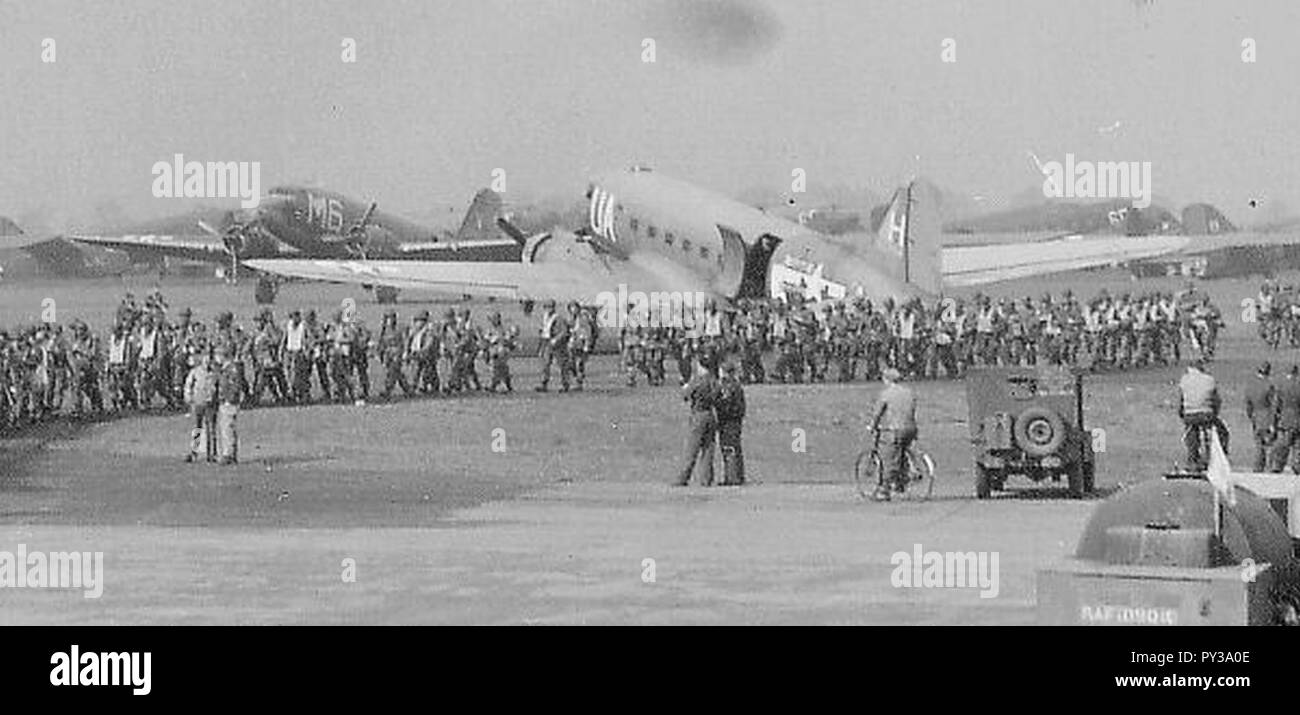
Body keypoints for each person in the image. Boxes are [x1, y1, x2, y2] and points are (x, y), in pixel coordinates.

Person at [869, 367, 917, 501]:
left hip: (896, 429)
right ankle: (901, 482)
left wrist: (872, 426)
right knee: (901, 451)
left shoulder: (886, 394)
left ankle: (884, 490)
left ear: (887, 380)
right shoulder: (909, 392)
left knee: (889, 457)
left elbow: (878, 413)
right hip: (911, 429)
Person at [674, 357, 719, 486]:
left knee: (692, 449)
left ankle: (683, 478)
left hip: (698, 414)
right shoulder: (713, 380)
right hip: (710, 414)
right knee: (708, 449)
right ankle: (706, 479)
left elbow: (685, 396)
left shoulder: (697, 380)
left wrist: (684, 386)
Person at [1178, 359, 1228, 472]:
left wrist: (1182, 414)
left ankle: (1192, 458)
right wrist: (1215, 413)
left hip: (1189, 414)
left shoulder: (1184, 380)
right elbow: (1216, 400)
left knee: (1191, 432)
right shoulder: (1210, 380)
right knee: (1222, 432)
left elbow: (1181, 400)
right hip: (1206, 414)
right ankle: (1216, 455)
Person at [715, 360, 747, 486]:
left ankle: (732, 477)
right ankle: (737, 475)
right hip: (735, 421)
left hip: (729, 422)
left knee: (729, 448)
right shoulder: (736, 385)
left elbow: (726, 405)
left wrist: (718, 405)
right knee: (735, 448)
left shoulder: (729, 387)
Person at [183, 349, 218, 463]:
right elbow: (188, 385)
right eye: (205, 359)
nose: (207, 361)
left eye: (209, 359)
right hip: (198, 403)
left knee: (211, 429)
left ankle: (212, 453)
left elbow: (218, 387)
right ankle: (194, 452)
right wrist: (188, 397)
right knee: (197, 429)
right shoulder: (195, 372)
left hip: (210, 404)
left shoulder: (214, 373)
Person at [1244, 361, 1277, 472]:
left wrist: (1252, 417)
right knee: (1271, 445)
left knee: (1258, 444)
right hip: (1267, 417)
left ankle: (1258, 467)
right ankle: (1271, 467)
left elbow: (1248, 405)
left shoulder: (1250, 386)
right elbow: (1273, 405)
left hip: (1256, 417)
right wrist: (1273, 422)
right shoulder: (1269, 385)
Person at [215, 344, 245, 466]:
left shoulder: (230, 369)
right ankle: (197, 450)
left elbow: (234, 386)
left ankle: (228, 454)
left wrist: (230, 399)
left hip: (227, 402)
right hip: (209, 403)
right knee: (202, 428)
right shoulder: (221, 369)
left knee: (227, 428)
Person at [1271, 365, 1300, 473]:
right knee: (1298, 446)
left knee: (1283, 445)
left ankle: (1278, 466)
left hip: (1285, 420)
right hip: (1298, 419)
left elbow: (1276, 406)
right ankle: (1297, 466)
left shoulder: (1282, 386)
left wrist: (1274, 421)